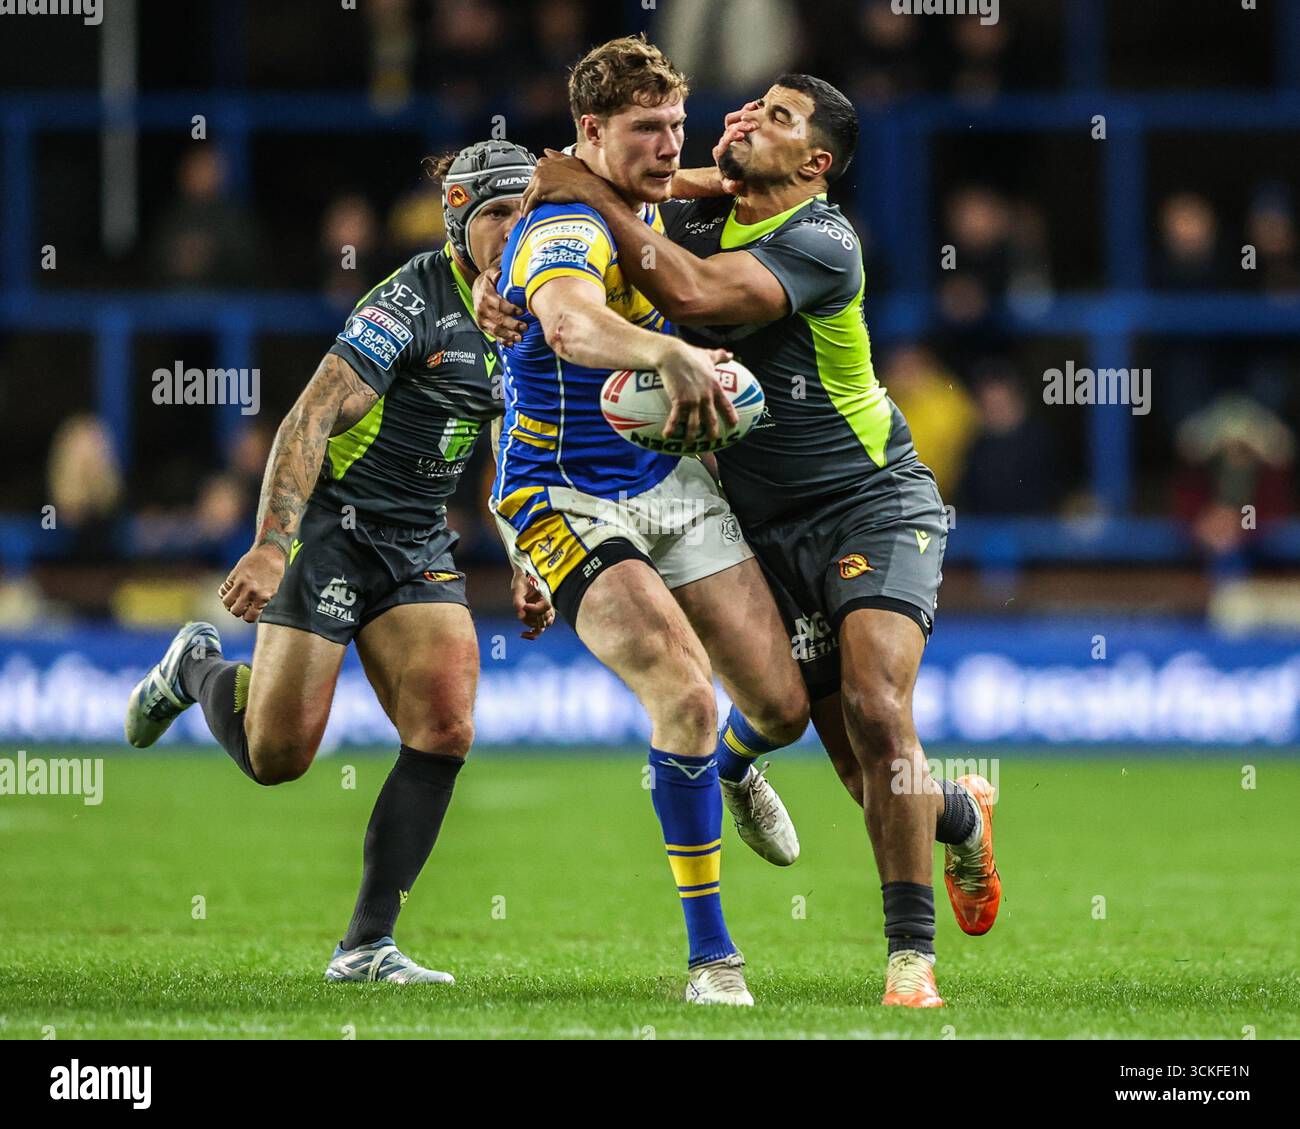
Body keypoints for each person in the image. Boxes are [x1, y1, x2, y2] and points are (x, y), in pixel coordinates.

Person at [488, 75, 1003, 1007]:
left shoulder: (822, 241)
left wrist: (582, 182)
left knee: (878, 708)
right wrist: (502, 280)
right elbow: (644, 205)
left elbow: (688, 289)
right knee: (851, 762)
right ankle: (961, 814)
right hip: (763, 524)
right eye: (752, 106)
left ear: (814, 163)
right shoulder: (693, 213)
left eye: (778, 118)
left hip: (869, 501)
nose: (747, 120)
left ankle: (909, 960)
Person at [124, 140, 550, 984]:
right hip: (333, 531)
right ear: (458, 218)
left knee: (446, 725)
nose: (515, 229)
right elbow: (312, 413)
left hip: (419, 538)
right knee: (277, 755)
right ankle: (196, 666)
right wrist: (270, 544)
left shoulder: (539, 312)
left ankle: (365, 945)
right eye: (498, 213)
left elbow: (515, 450)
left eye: (528, 212)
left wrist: (527, 554)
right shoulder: (409, 302)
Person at [486, 36, 810, 1006]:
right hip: (561, 496)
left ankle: (727, 769)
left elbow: (706, 181)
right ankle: (714, 959)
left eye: (675, 124)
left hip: (665, 477)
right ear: (590, 131)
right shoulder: (563, 226)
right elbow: (568, 322)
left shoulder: (645, 196)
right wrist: (666, 354)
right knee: (684, 691)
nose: (670, 146)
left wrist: (722, 168)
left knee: (782, 707)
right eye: (646, 129)